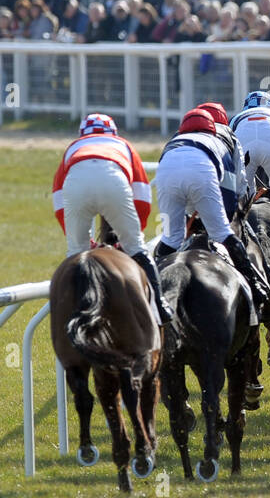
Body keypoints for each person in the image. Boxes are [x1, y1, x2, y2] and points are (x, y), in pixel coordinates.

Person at [51, 112, 177, 346]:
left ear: (82, 134)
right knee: (137, 247)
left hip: (76, 185)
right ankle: (160, 307)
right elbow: (141, 195)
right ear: (113, 132)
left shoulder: (73, 147)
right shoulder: (124, 145)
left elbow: (58, 198)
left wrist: (78, 240)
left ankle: (68, 317)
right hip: (113, 181)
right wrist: (131, 236)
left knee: (75, 255)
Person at [154, 106, 270, 306]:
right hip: (202, 172)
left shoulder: (174, 141)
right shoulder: (219, 141)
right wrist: (225, 218)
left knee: (171, 238)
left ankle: (153, 287)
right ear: (212, 128)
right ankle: (254, 285)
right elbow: (231, 188)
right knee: (222, 233)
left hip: (166, 172)